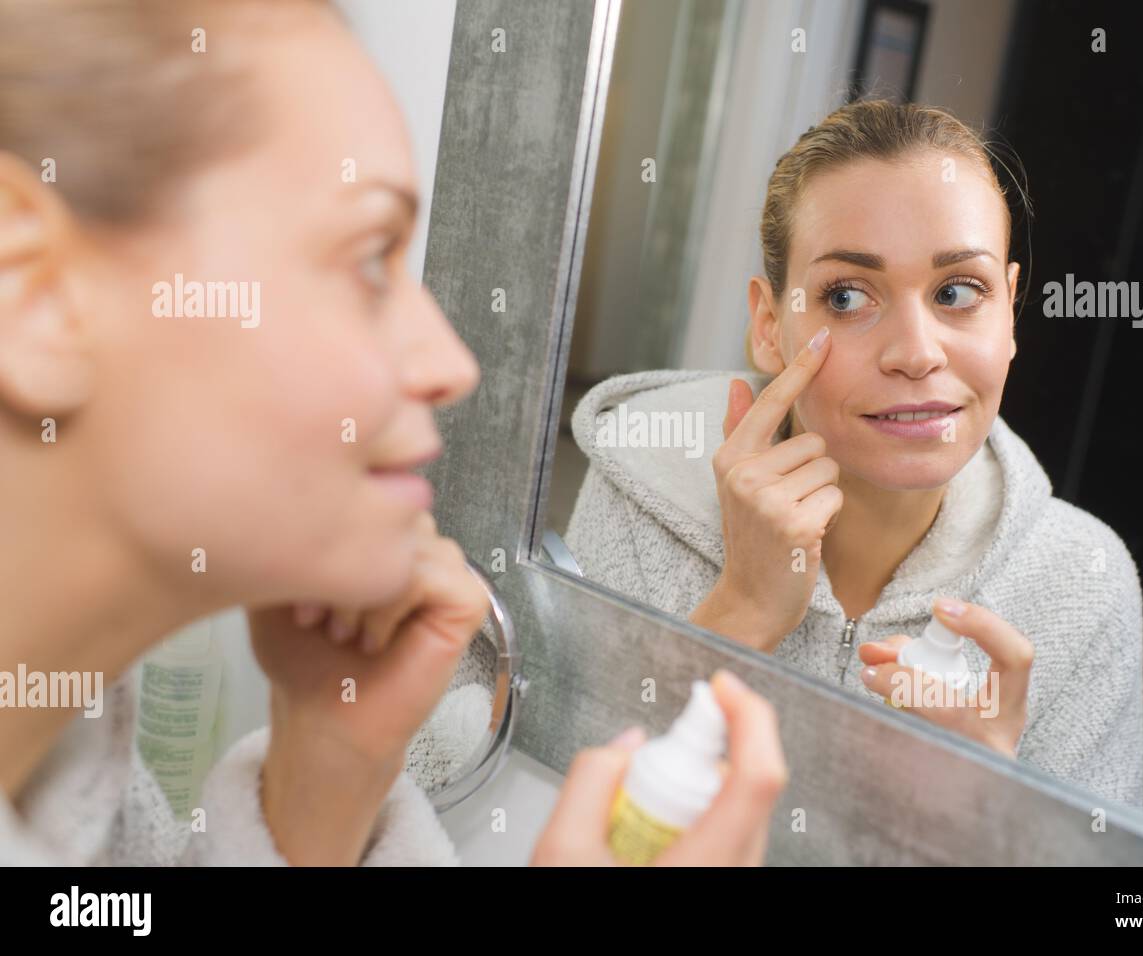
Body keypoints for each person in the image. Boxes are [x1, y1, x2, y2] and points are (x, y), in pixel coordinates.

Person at [0, 0, 787, 866]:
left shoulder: (71, 786)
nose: (453, 364)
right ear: (32, 296)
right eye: (371, 256)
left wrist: (327, 777)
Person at [566, 98, 1143, 806]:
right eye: (846, 297)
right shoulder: (641, 488)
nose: (916, 353)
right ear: (769, 324)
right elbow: (563, 803)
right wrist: (741, 612)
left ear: (1010, 308)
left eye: (959, 291)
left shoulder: (1083, 584)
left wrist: (987, 811)